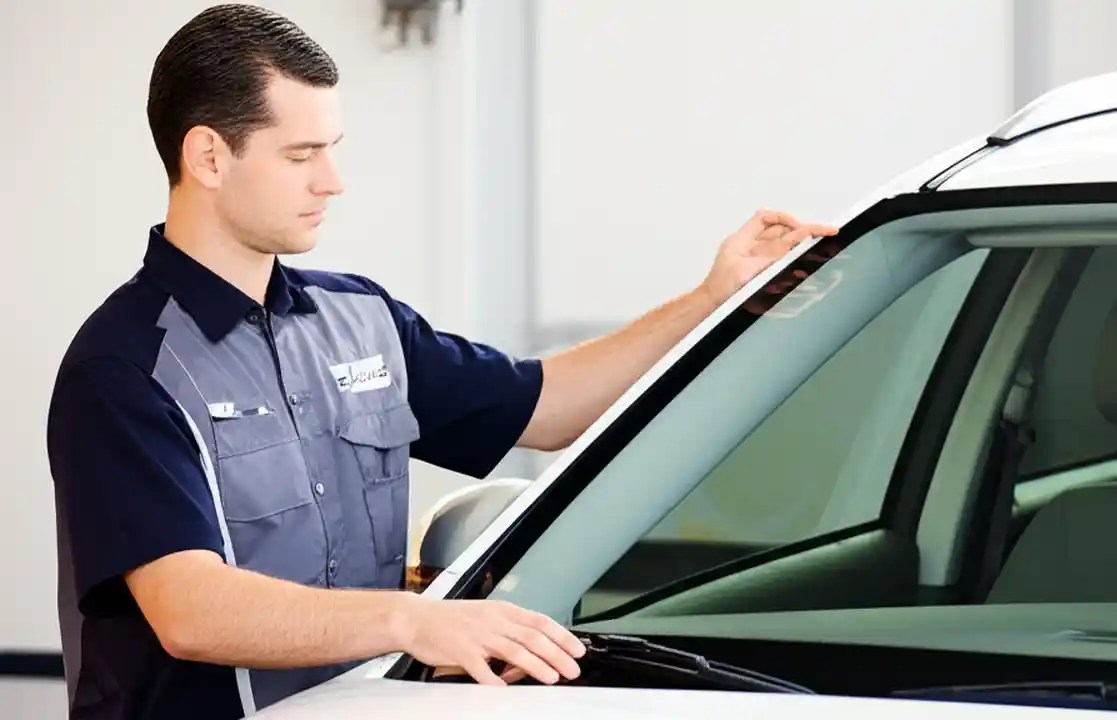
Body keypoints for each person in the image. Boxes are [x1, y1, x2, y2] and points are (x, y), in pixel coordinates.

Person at [44, 4, 838, 719]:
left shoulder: (363, 322)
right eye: (301, 155)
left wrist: (710, 298)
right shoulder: (123, 369)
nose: (333, 181)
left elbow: (548, 407)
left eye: (333, 150)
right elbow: (189, 609)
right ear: (209, 157)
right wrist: (415, 620)